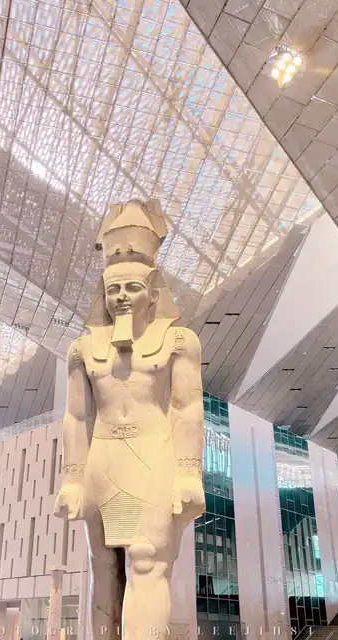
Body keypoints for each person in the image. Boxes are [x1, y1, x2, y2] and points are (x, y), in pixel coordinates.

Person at [54, 200, 205, 640]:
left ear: (153, 292)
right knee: (102, 566)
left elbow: (186, 408)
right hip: (103, 459)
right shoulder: (82, 349)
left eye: (132, 287)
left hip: (153, 452)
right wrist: (72, 478)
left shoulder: (179, 341)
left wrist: (189, 472)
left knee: (146, 560)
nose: (121, 296)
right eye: (113, 288)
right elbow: (76, 416)